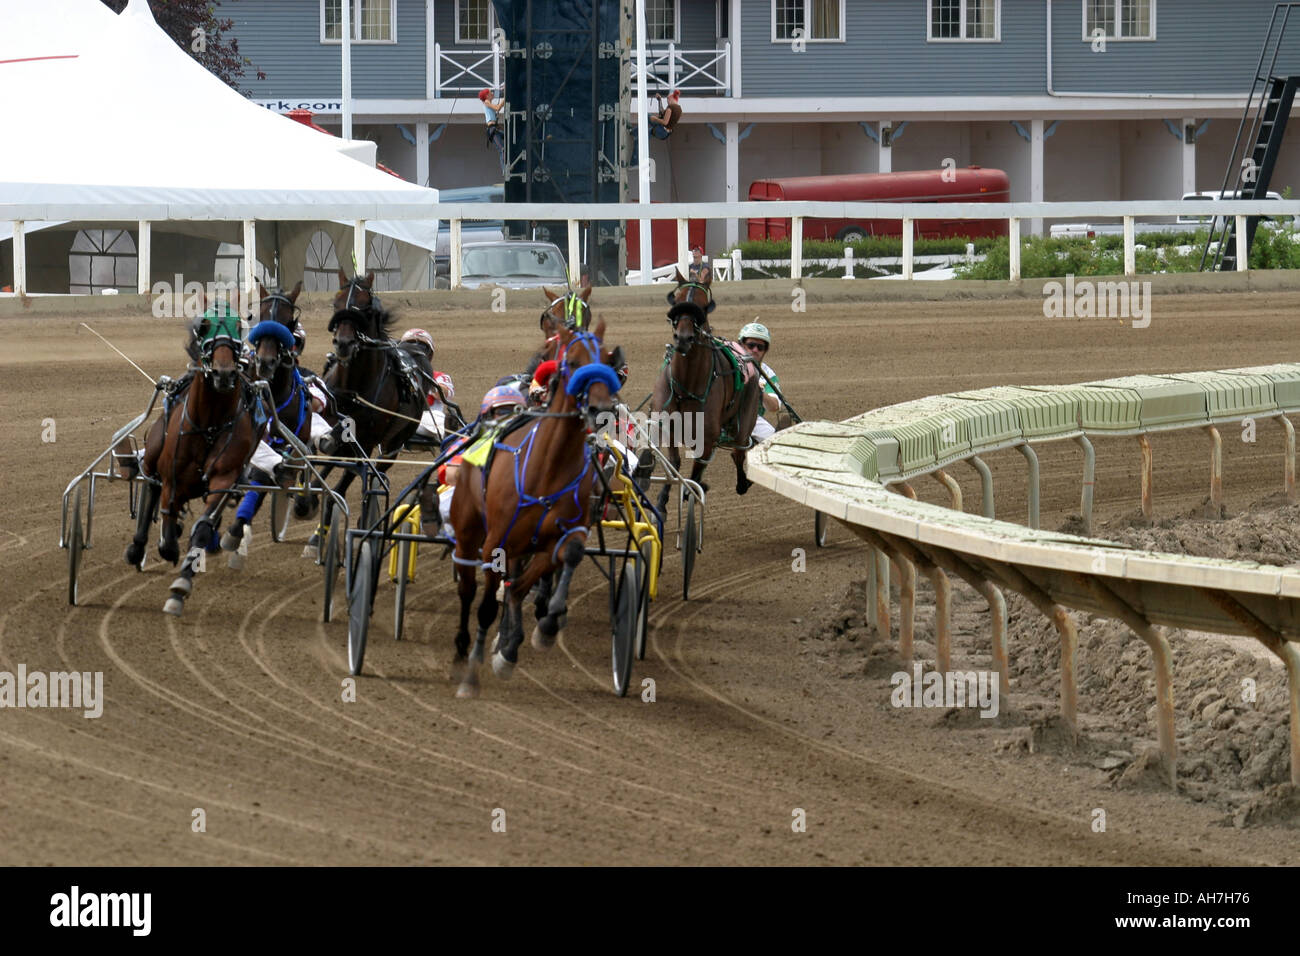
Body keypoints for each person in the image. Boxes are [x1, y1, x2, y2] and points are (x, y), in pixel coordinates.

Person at [400, 328, 456, 440]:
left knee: (444, 421)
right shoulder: (395, 373)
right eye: (409, 346)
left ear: (429, 355)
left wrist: (424, 380)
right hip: (399, 417)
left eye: (421, 347)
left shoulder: (440, 377)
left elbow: (443, 394)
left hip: (428, 419)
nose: (414, 351)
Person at [739, 320, 782, 444]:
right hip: (720, 414)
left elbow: (774, 407)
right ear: (741, 344)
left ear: (765, 350)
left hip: (750, 418)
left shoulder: (768, 374)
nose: (755, 350)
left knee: (777, 444)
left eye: (760, 347)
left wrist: (758, 391)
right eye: (751, 345)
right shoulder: (727, 363)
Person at [479, 88, 506, 171]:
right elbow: (498, 108)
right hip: (493, 130)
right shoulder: (486, 102)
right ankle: (505, 171)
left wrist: (505, 93)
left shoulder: (488, 104)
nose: (492, 93)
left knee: (508, 142)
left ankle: (507, 167)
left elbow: (497, 108)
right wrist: (506, 97)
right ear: (487, 95)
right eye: (490, 92)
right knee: (502, 149)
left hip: (494, 129)